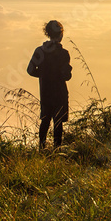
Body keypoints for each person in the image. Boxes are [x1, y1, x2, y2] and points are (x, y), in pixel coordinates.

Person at [26, 20, 72, 150]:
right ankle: (57, 150)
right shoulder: (63, 53)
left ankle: (41, 148)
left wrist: (43, 75)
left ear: (48, 33)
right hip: (59, 92)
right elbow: (66, 76)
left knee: (45, 120)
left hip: (45, 91)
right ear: (60, 34)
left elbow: (30, 70)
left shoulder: (39, 52)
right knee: (58, 123)